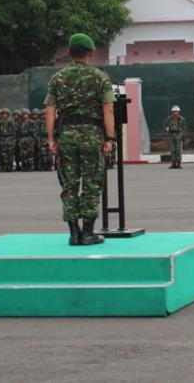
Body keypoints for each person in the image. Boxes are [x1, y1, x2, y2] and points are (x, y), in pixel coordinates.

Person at [45, 33, 116, 246]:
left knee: (69, 184)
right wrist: (110, 139)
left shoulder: (57, 78)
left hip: (66, 135)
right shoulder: (100, 77)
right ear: (91, 53)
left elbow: (50, 111)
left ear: (69, 53)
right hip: (92, 135)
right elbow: (109, 109)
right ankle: (88, 232)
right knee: (92, 183)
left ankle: (73, 233)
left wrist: (51, 139)